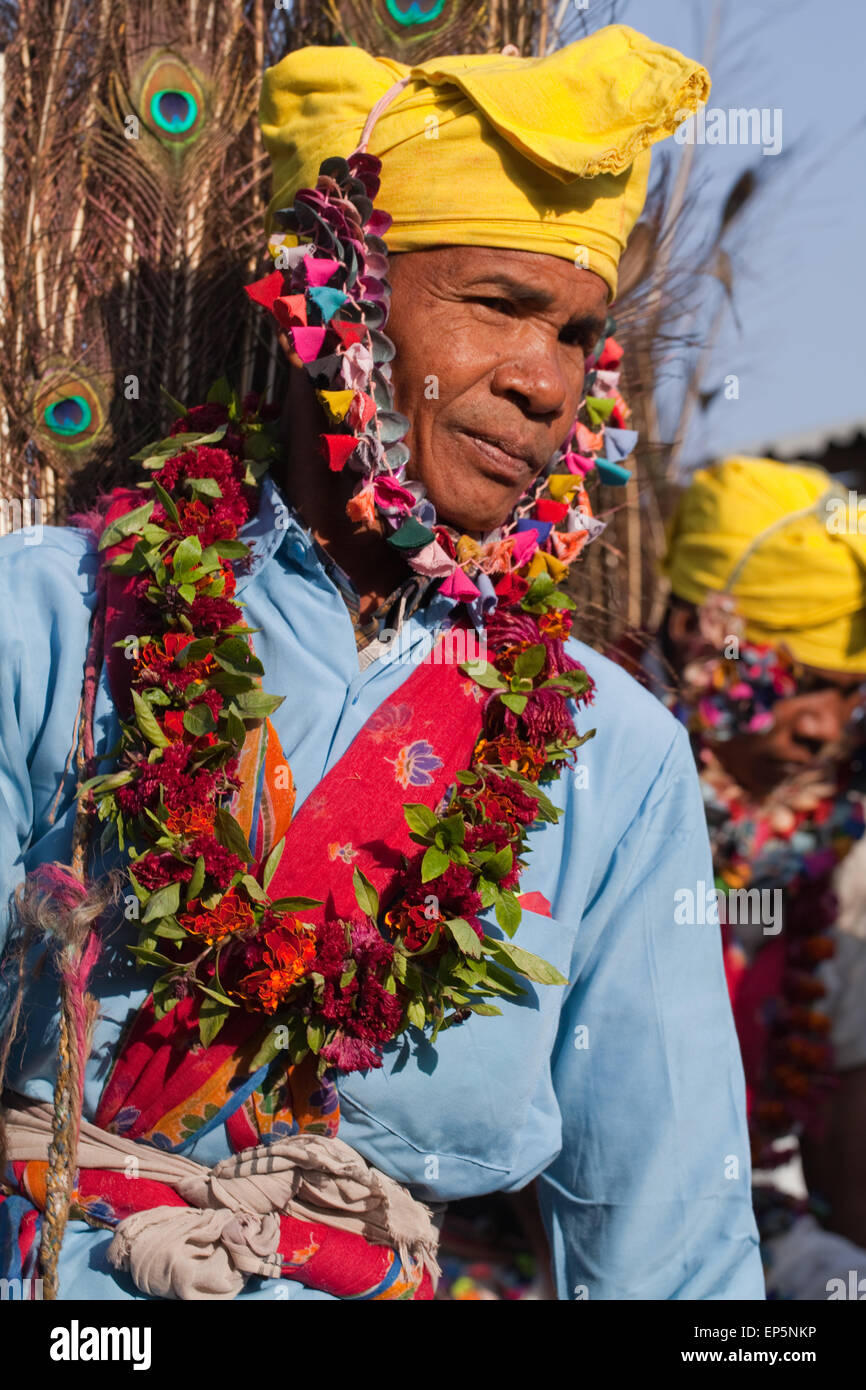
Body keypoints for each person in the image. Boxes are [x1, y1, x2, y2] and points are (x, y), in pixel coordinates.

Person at [0, 28, 763, 1301]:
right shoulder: (55, 622)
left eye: (578, 334)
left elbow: (671, 1240)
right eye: (495, 305)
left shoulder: (611, 751)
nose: (541, 381)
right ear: (340, 298)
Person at [621, 454, 866, 1298]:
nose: (824, 729)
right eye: (806, 685)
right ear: (704, 632)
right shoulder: (572, 760)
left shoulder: (813, 840)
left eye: (849, 696)